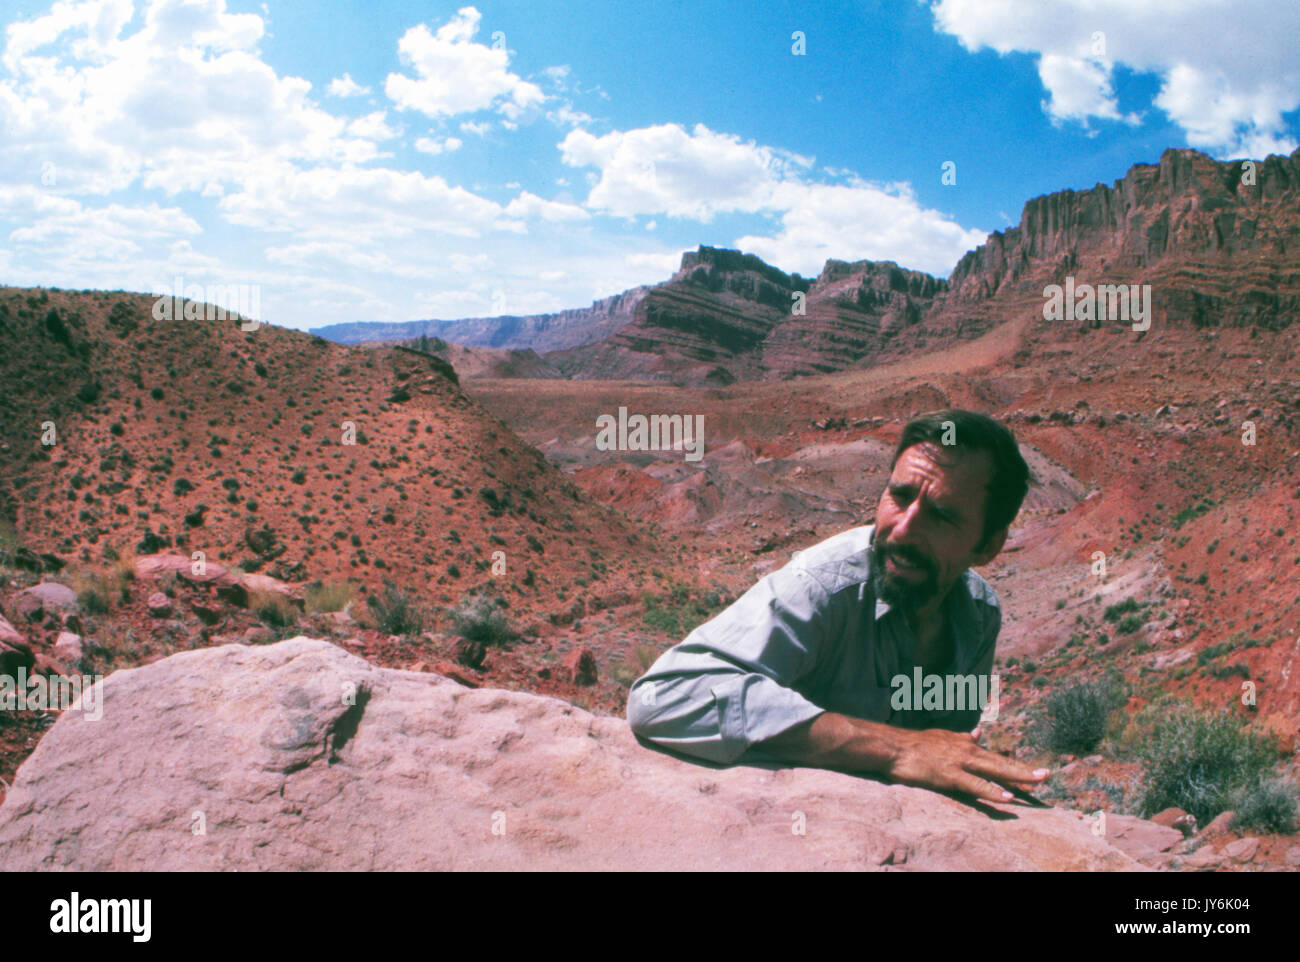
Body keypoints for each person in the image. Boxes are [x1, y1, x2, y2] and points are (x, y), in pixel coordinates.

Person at [626, 409, 1051, 803]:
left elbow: (948, 748)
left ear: (989, 545)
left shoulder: (979, 615)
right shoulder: (821, 588)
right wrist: (896, 749)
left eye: (940, 515)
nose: (903, 530)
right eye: (899, 496)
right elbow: (661, 697)